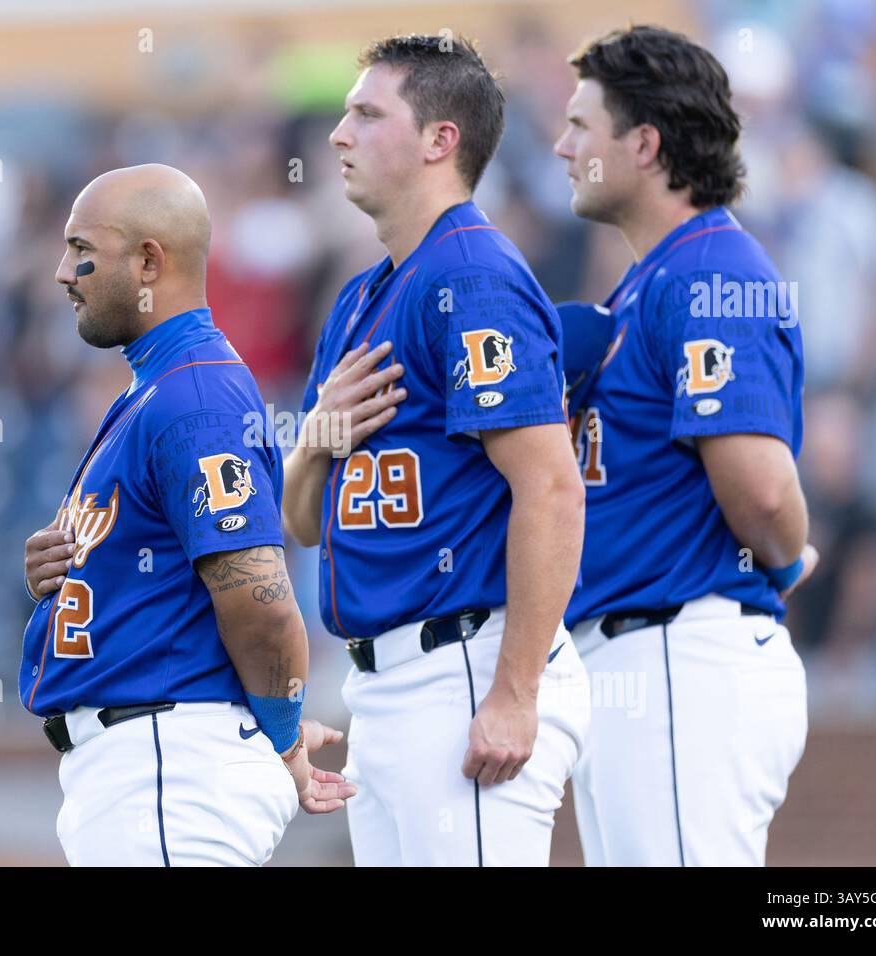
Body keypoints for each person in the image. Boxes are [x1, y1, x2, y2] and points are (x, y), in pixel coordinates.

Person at [283, 34, 590, 866]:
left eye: (366, 114)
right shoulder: (360, 295)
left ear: (438, 139)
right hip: (384, 687)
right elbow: (303, 521)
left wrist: (515, 692)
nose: (339, 135)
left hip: (466, 662)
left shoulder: (473, 274)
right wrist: (313, 440)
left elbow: (553, 488)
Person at [20, 164, 353, 866]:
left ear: (148, 261)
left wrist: (284, 734)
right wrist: (70, 567)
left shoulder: (194, 395)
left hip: (167, 768)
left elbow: (261, 601)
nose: (62, 272)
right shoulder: (157, 387)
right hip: (148, 770)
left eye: (82, 249)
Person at [552, 24, 817, 866]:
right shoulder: (656, 276)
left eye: (581, 127)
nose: (562, 146)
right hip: (644, 660)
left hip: (678, 655)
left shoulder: (710, 273)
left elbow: (765, 494)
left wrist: (782, 558)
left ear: (645, 143)